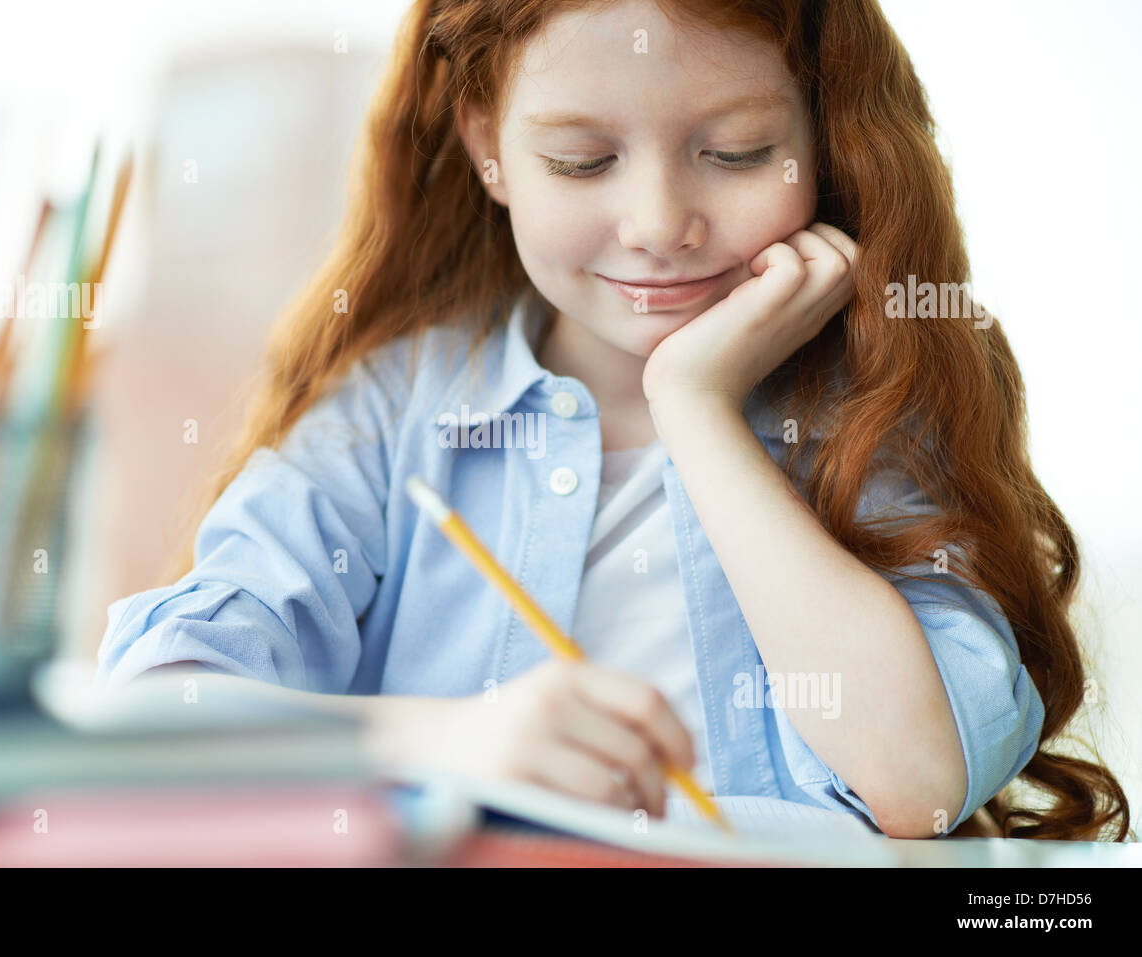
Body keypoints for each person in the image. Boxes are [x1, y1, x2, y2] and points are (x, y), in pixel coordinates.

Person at [96, 0, 1128, 841]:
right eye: (582, 162)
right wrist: (446, 740)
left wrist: (699, 410)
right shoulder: (393, 414)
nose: (656, 227)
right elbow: (153, 712)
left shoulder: (878, 415)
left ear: (824, 136)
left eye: (735, 151)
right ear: (486, 147)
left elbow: (920, 781)